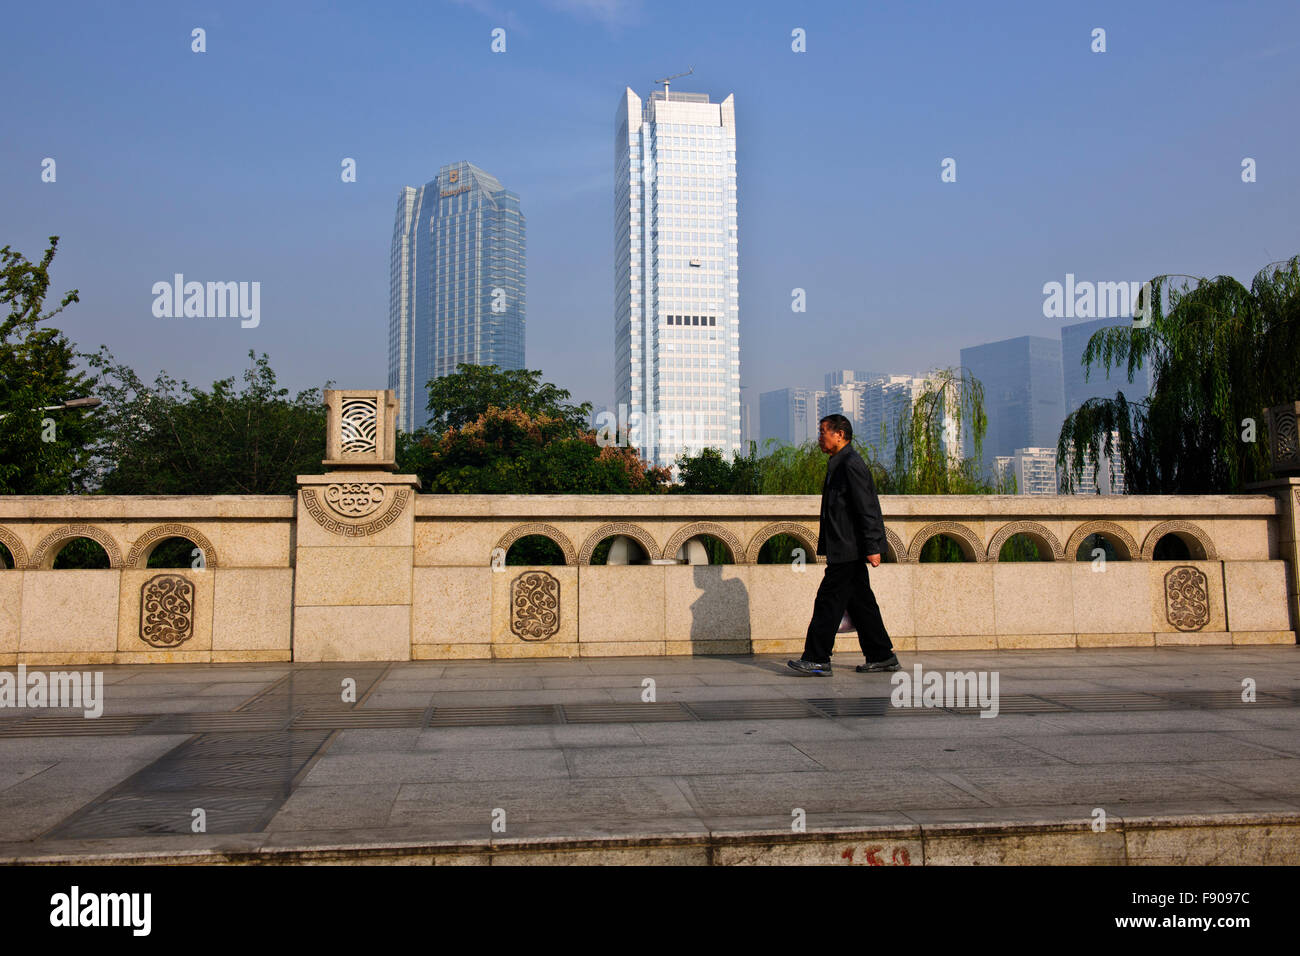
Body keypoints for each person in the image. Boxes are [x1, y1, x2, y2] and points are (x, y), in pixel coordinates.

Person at [787, 414, 900, 676]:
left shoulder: (850, 463)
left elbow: (867, 506)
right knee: (862, 604)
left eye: (823, 431)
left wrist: (873, 546)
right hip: (844, 546)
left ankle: (817, 657)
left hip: (849, 548)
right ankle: (882, 655)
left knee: (827, 602)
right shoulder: (838, 463)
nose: (819, 437)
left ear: (840, 434)